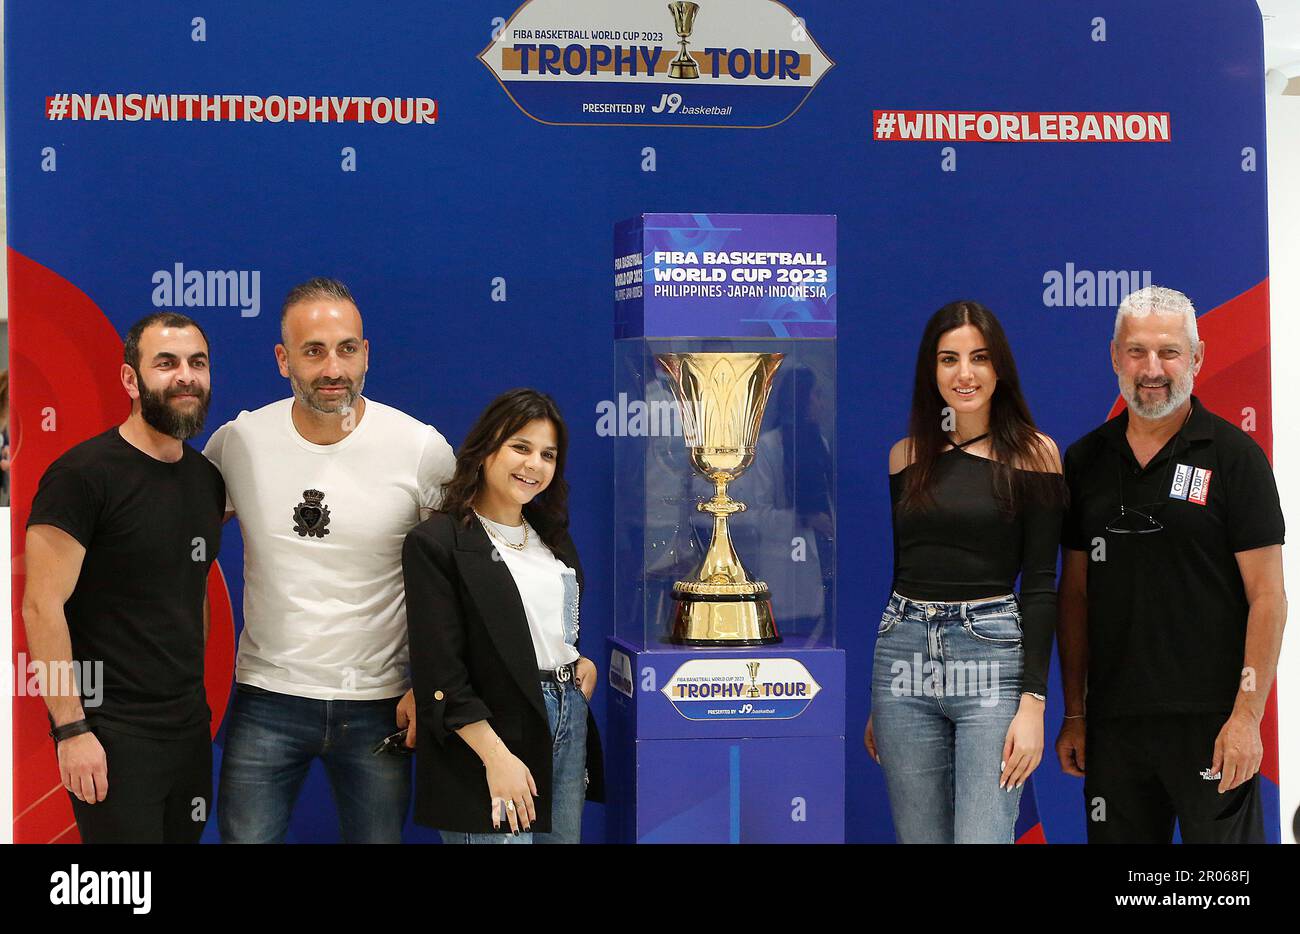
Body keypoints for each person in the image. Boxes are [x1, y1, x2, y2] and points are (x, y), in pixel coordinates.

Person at [204, 277, 455, 843]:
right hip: (266, 699)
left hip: (381, 706)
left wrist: (431, 684)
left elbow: (453, 582)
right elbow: (172, 538)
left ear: (366, 353)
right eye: (313, 351)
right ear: (282, 359)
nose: (332, 368)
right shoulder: (238, 442)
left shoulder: (420, 449)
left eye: (346, 348)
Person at [1055, 286, 1286, 844]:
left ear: (1198, 357)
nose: (1151, 368)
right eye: (1136, 352)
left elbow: (1269, 598)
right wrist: (1077, 713)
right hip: (1114, 729)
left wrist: (1247, 718)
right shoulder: (1085, 461)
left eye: (1169, 352)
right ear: (1115, 357)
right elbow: (1075, 596)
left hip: (1214, 726)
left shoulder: (1236, 458)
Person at [865, 300, 1065, 843]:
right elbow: (905, 568)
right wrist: (883, 694)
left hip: (991, 658)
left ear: (999, 368)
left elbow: (1043, 585)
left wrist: (1033, 704)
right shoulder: (905, 457)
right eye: (948, 359)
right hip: (901, 659)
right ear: (931, 372)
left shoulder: (1035, 454)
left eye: (979, 358)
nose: (964, 373)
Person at [23, 313, 224, 843]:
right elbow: (40, 606)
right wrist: (70, 730)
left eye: (197, 363)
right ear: (130, 380)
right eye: (167, 363)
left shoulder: (206, 480)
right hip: (110, 734)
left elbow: (190, 589)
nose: (185, 376)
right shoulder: (81, 476)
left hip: (187, 730)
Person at [402, 388, 604, 843]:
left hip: (565, 720)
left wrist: (571, 658)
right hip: (484, 734)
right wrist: (496, 757)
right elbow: (440, 668)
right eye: (520, 447)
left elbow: (540, 624)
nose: (534, 464)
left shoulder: (552, 538)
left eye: (547, 454)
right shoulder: (438, 542)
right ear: (486, 447)